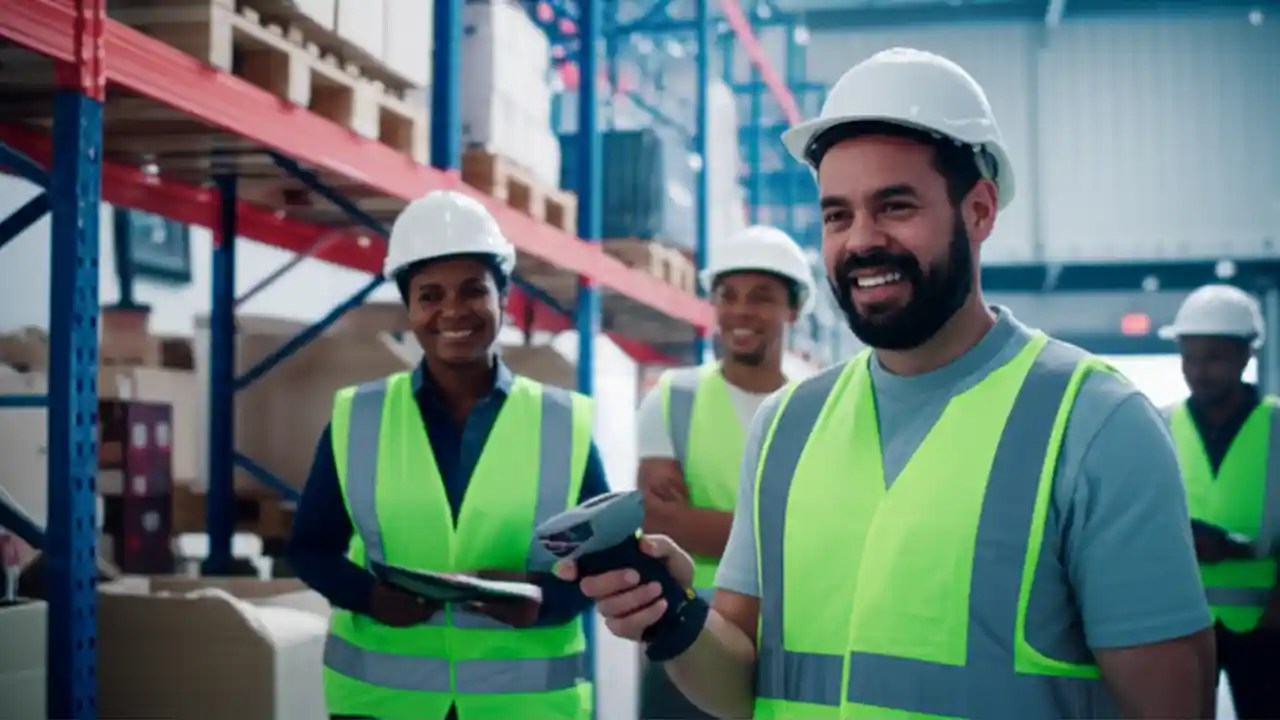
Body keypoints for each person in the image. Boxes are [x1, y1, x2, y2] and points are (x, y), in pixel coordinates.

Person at [555, 47, 1219, 719]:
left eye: (894, 206)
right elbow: (738, 693)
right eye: (837, 215)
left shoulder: (1096, 424)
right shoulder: (788, 426)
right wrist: (673, 618)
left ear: (980, 211)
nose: (861, 241)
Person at [289, 190, 607, 720]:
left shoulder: (561, 423)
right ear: (410, 307)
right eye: (430, 295)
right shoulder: (358, 417)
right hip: (387, 705)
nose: (453, 311)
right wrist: (370, 598)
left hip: (524, 706)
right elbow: (310, 548)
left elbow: (605, 564)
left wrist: (542, 599)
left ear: (503, 297)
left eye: (473, 291)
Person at [633, 225, 815, 719]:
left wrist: (701, 524)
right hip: (690, 635)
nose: (740, 311)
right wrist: (779, 531)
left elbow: (825, 535)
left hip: (791, 640)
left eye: (761, 297)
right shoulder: (673, 398)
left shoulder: (818, 404)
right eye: (728, 295)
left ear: (793, 308)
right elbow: (659, 524)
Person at [1159, 284, 1280, 720]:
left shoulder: (1277, 425)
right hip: (1181, 623)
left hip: (1268, 625)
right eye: (1189, 356)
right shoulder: (1159, 423)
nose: (1198, 370)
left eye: (1212, 357)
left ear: (1246, 355)